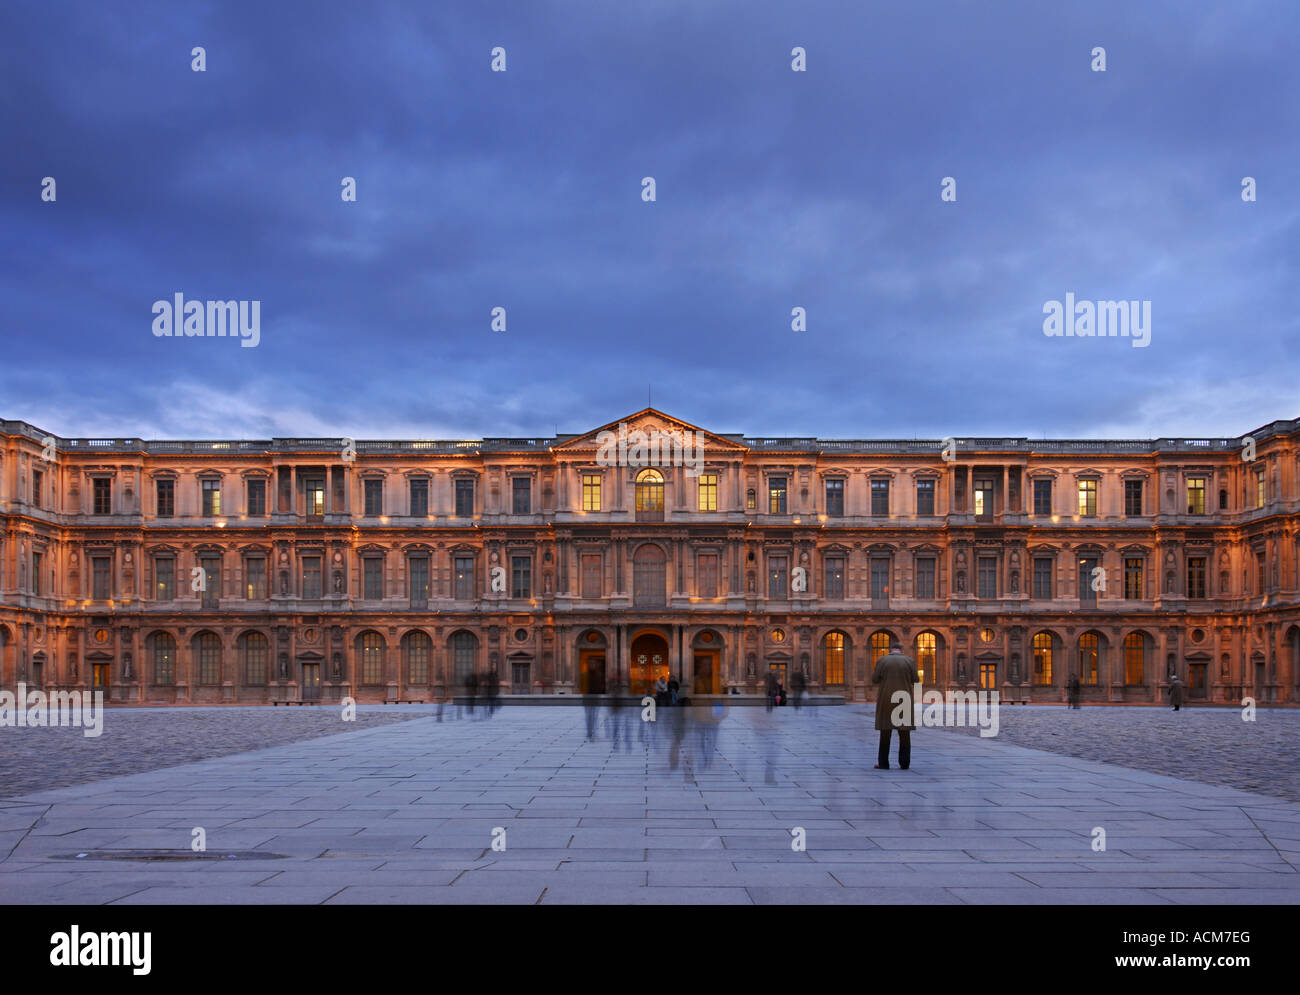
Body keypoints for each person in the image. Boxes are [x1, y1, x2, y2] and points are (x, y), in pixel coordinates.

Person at [872, 641, 919, 770]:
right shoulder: (909, 661)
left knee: (885, 733)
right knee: (904, 734)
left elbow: (875, 679)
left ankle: (883, 763)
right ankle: (904, 763)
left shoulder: (882, 660)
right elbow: (916, 679)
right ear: (901, 651)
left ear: (890, 650)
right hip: (904, 699)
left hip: (886, 699)